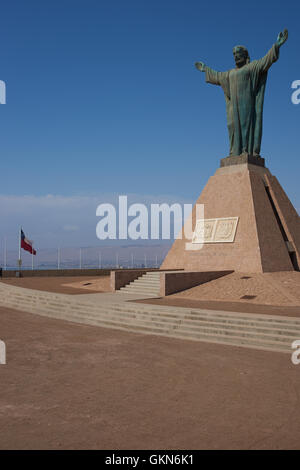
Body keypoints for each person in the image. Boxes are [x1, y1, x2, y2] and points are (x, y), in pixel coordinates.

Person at [195, 29, 288, 157]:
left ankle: (246, 151)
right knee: (232, 127)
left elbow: (266, 60)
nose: (235, 56)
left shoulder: (251, 67)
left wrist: (276, 45)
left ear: (245, 56)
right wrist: (205, 68)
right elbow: (217, 76)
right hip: (234, 107)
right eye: (234, 54)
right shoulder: (229, 74)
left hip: (247, 105)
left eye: (238, 53)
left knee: (246, 128)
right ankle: (234, 152)